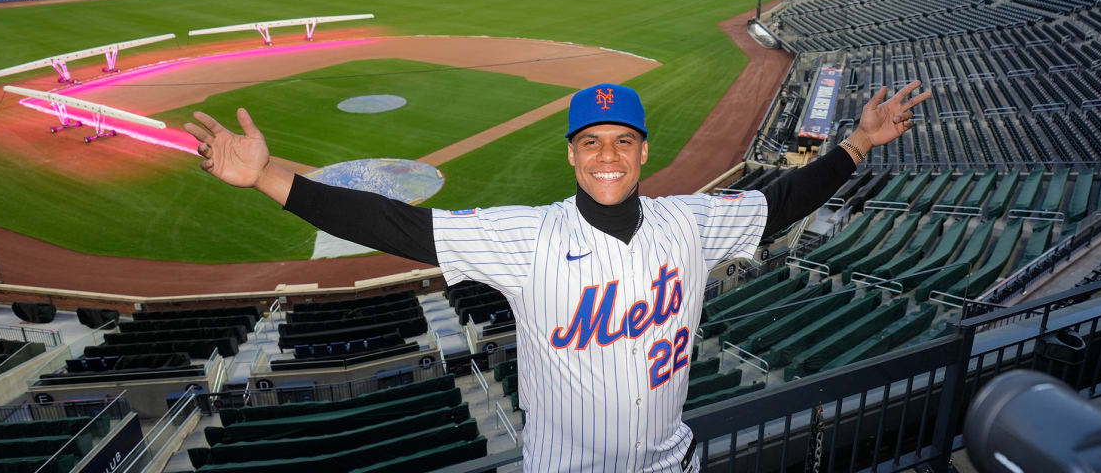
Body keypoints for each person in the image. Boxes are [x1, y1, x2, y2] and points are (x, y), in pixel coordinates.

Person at [186, 79, 931, 472]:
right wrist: (271, 179)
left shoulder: (692, 223)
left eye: (623, 142)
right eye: (591, 143)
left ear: (643, 153)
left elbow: (778, 204)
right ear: (572, 156)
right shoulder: (527, 236)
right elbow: (400, 227)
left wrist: (857, 146)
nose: (608, 156)